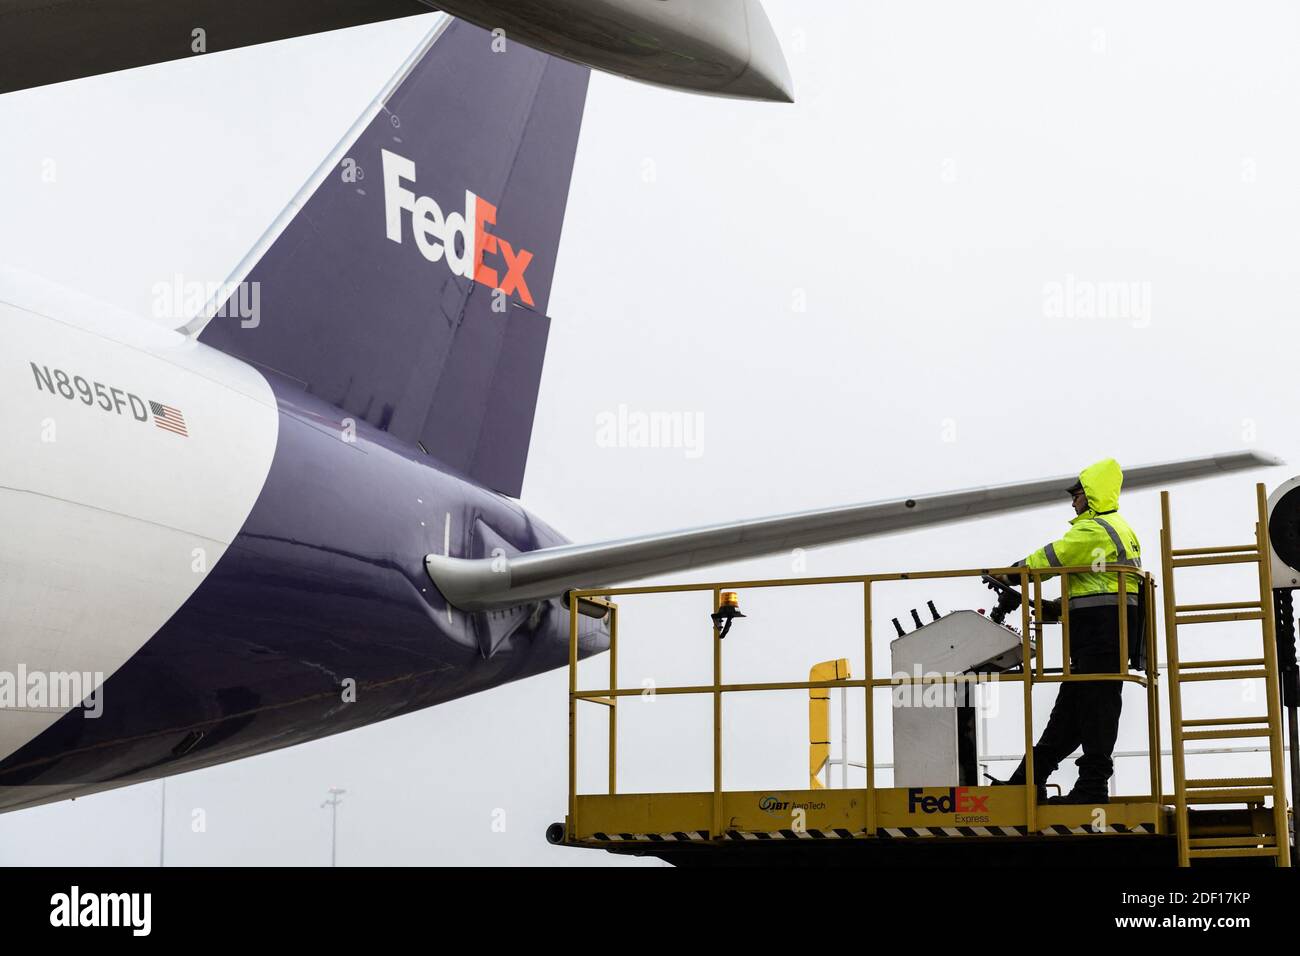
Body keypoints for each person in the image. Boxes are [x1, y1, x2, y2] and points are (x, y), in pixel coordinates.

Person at [994, 458, 1144, 805]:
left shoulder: (1094, 530)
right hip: (1102, 633)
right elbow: (1099, 582)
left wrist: (1010, 573)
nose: (1072, 501)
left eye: (1077, 495)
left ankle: (1093, 789)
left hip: (1102, 633)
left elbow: (1050, 559)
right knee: (1072, 711)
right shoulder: (1118, 529)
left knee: (1095, 708)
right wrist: (1056, 607)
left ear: (1091, 495)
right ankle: (1026, 781)